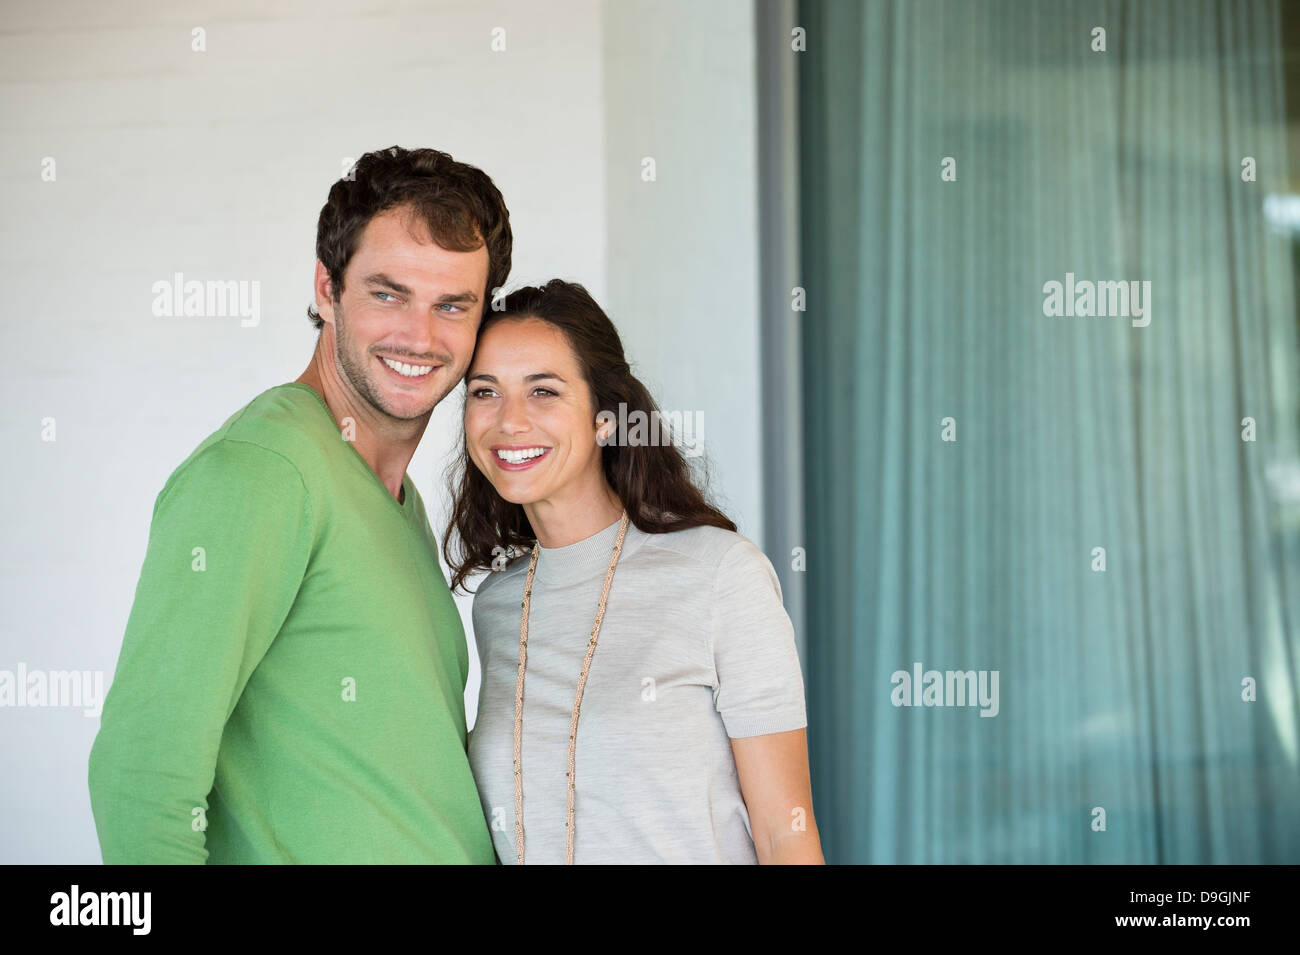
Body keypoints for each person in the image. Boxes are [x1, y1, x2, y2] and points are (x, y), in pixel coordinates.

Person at [88, 146, 511, 863]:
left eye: (451, 305)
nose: (420, 335)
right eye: (388, 293)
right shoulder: (262, 471)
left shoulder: (395, 500)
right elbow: (141, 778)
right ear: (326, 288)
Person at [445, 280, 825, 864]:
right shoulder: (498, 602)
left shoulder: (720, 574)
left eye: (543, 391)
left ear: (604, 419)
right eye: (485, 391)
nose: (510, 421)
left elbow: (786, 834)